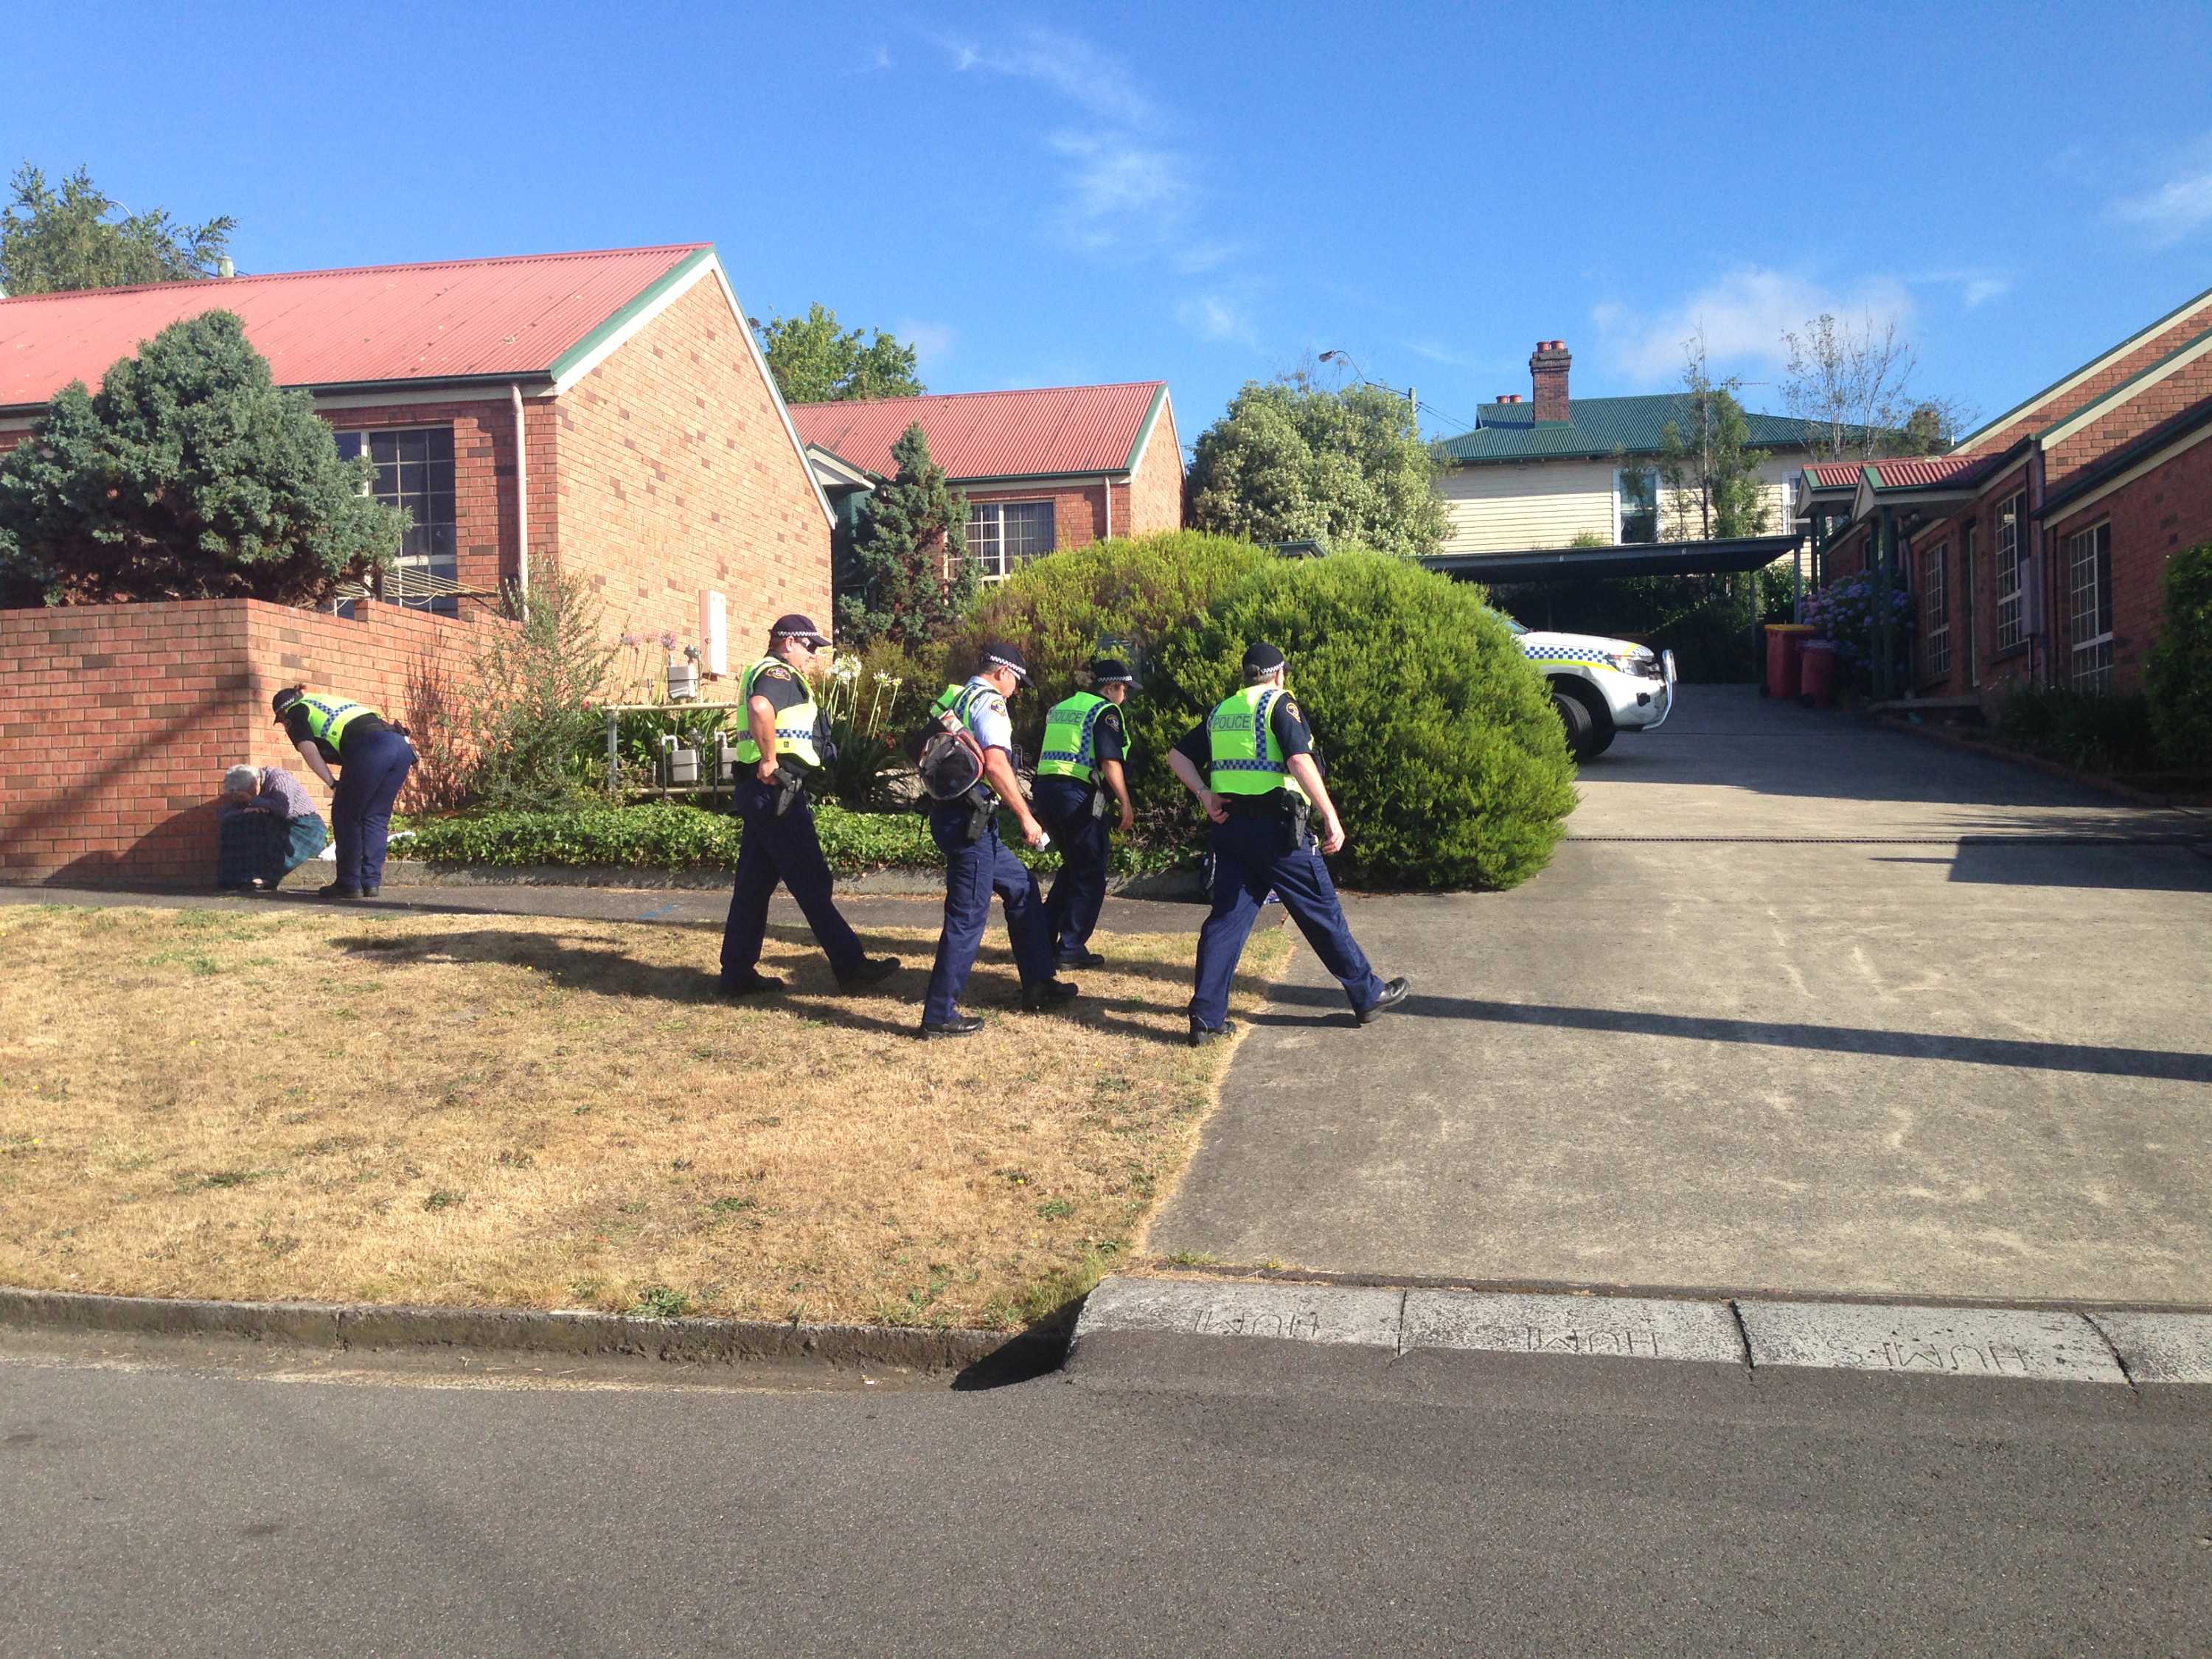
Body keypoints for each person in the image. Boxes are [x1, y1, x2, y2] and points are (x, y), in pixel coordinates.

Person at [1165, 641, 1408, 1047]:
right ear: (1278, 674)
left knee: (1226, 921)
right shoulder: (1280, 704)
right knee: (1321, 912)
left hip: (1231, 829)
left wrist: (1205, 794)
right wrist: (1330, 814)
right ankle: (1367, 995)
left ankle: (1206, 1019)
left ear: (1246, 676)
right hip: (1279, 833)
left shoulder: (1221, 712)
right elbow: (1299, 761)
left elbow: (1176, 756)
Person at [719, 614, 898, 998]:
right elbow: (761, 707)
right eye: (809, 646)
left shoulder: (762, 669)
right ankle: (851, 967)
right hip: (776, 789)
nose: (813, 655)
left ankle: (736, 973)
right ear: (789, 643)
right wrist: (770, 760)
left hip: (759, 791)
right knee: (812, 881)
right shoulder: (778, 674)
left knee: (753, 885)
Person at [918, 642, 1076, 1039]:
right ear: (1002, 673)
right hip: (969, 822)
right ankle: (939, 1014)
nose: (1016, 690)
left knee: (1022, 885)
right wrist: (1027, 817)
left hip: (956, 816)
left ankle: (1039, 983)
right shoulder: (990, 703)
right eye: (1016, 681)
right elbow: (996, 764)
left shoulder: (954, 696)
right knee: (968, 916)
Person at [1033, 658, 1137, 970]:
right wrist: (1125, 802)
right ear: (1110, 687)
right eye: (1124, 689)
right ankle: (1071, 946)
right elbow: (1109, 761)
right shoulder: (1105, 712)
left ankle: (1043, 937)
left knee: (1075, 866)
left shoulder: (1062, 707)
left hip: (1046, 791)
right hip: (1076, 794)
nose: (1125, 697)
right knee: (1091, 869)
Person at [271, 686, 416, 900]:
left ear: (282, 713)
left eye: (281, 721)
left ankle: (348, 883)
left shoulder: (296, 712)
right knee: (376, 817)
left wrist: (332, 783)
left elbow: (309, 751)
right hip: (400, 747)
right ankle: (370, 883)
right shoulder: (325, 700)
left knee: (345, 815)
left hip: (371, 748)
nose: (284, 725)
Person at [215, 763, 328, 893]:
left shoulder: (279, 778)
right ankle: (236, 877)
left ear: (254, 784)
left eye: (243, 795)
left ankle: (263, 877)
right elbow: (224, 814)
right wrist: (245, 810)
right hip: (273, 824)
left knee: (258, 819)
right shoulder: (243, 788)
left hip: (305, 826)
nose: (240, 800)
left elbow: (284, 809)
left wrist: (254, 800)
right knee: (240, 821)